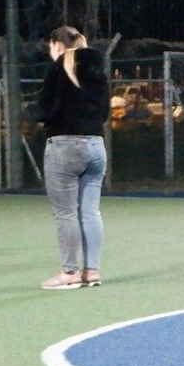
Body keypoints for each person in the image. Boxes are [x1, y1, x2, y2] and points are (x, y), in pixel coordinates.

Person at [33, 26, 110, 290]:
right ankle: (92, 271)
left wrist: (29, 111)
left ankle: (69, 272)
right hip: (97, 146)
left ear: (56, 44)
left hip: (65, 146)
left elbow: (47, 110)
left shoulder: (58, 68)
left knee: (65, 213)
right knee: (90, 211)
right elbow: (104, 114)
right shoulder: (98, 70)